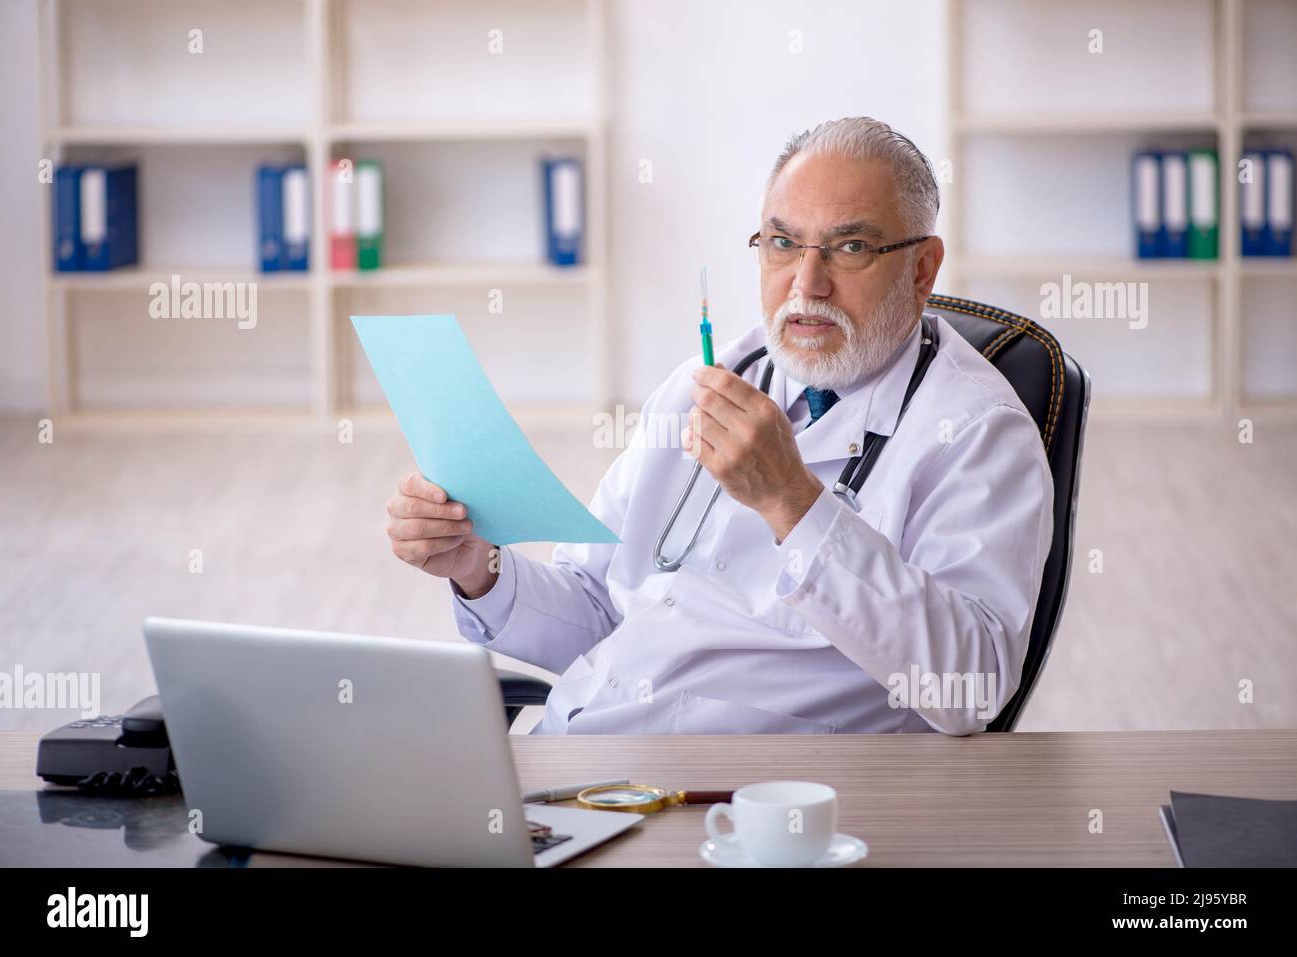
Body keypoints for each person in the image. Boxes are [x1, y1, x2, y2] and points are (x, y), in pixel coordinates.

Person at [386, 116, 1053, 735]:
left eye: (850, 247)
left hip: (750, 810)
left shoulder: (976, 431)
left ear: (922, 268)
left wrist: (792, 501)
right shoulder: (703, 384)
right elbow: (599, 609)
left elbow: (975, 686)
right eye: (784, 243)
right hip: (584, 765)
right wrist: (481, 568)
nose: (807, 283)